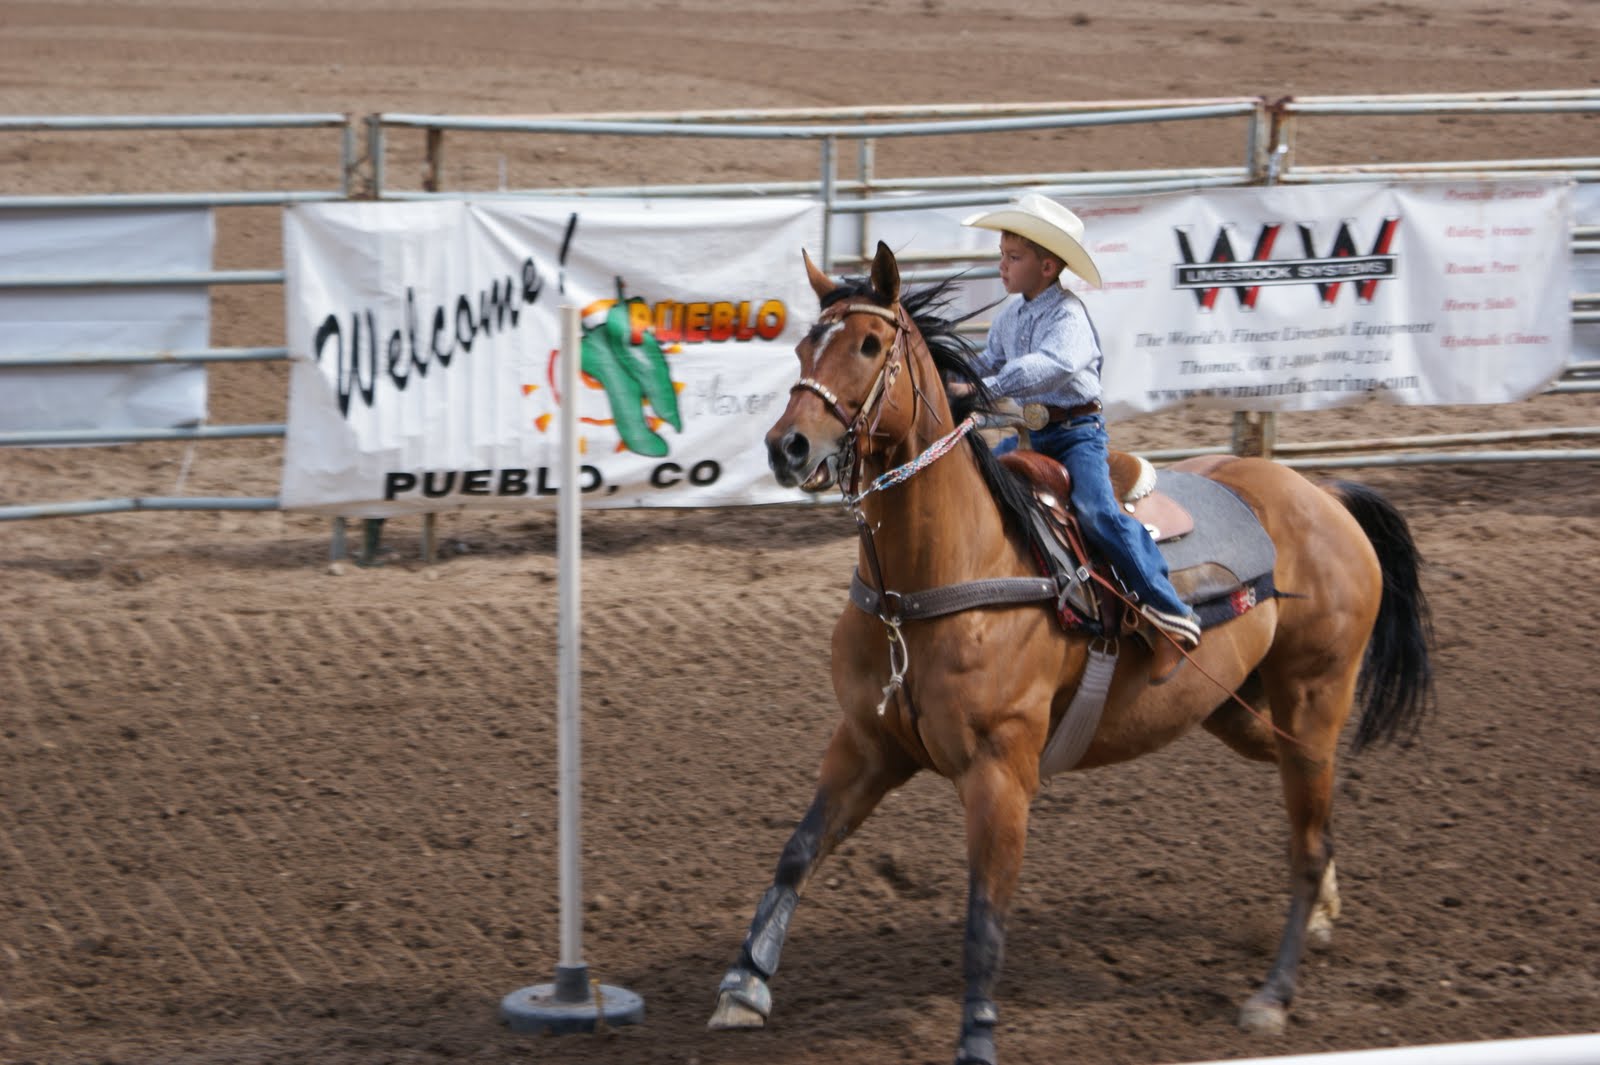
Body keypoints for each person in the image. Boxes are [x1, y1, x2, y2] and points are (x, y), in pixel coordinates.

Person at [957, 192, 1201, 650]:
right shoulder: (1011, 318)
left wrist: (978, 390)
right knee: (981, 482)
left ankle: (1165, 601)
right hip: (1034, 435)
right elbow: (990, 359)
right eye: (1002, 256)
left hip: (1077, 437)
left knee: (1096, 511)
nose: (1002, 266)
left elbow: (1052, 365)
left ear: (1047, 268)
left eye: (1013, 257)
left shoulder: (1067, 315)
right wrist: (950, 372)